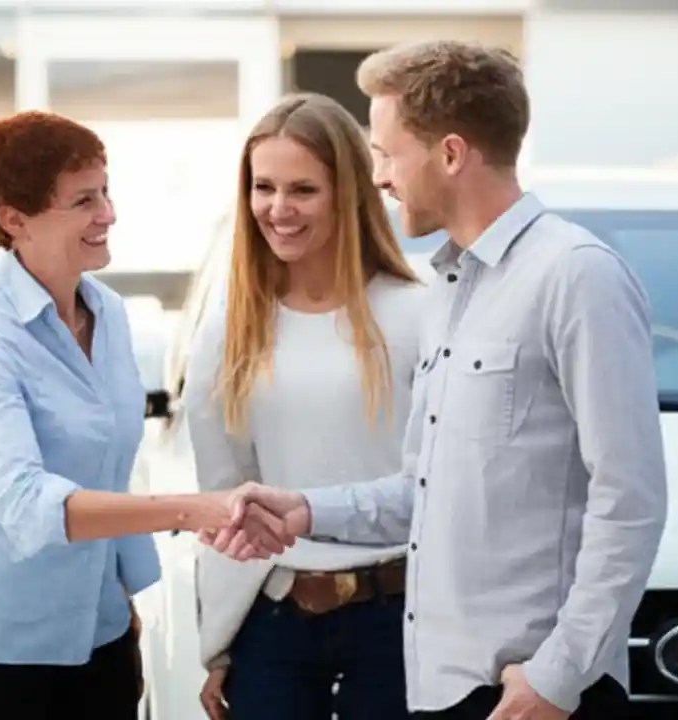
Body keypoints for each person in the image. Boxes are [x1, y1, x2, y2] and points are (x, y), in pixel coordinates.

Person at [208, 40, 669, 720]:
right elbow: (423, 492)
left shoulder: (575, 274)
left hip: (532, 693)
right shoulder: (452, 289)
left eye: (388, 154)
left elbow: (630, 501)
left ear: (451, 154)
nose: (380, 178)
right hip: (446, 687)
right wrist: (306, 509)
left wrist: (557, 676)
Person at [0, 110, 292, 720]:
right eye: (84, 200)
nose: (108, 213)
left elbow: (111, 470)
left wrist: (119, 604)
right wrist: (189, 509)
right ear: (15, 220)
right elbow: (25, 503)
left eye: (106, 191)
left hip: (102, 638)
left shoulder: (110, 315)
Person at [184, 92, 425, 720]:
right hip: (275, 624)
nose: (278, 209)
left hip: (402, 623)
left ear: (347, 191)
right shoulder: (230, 324)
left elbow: (440, 486)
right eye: (263, 187)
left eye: (303, 190)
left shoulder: (418, 313)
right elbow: (224, 493)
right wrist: (220, 647)